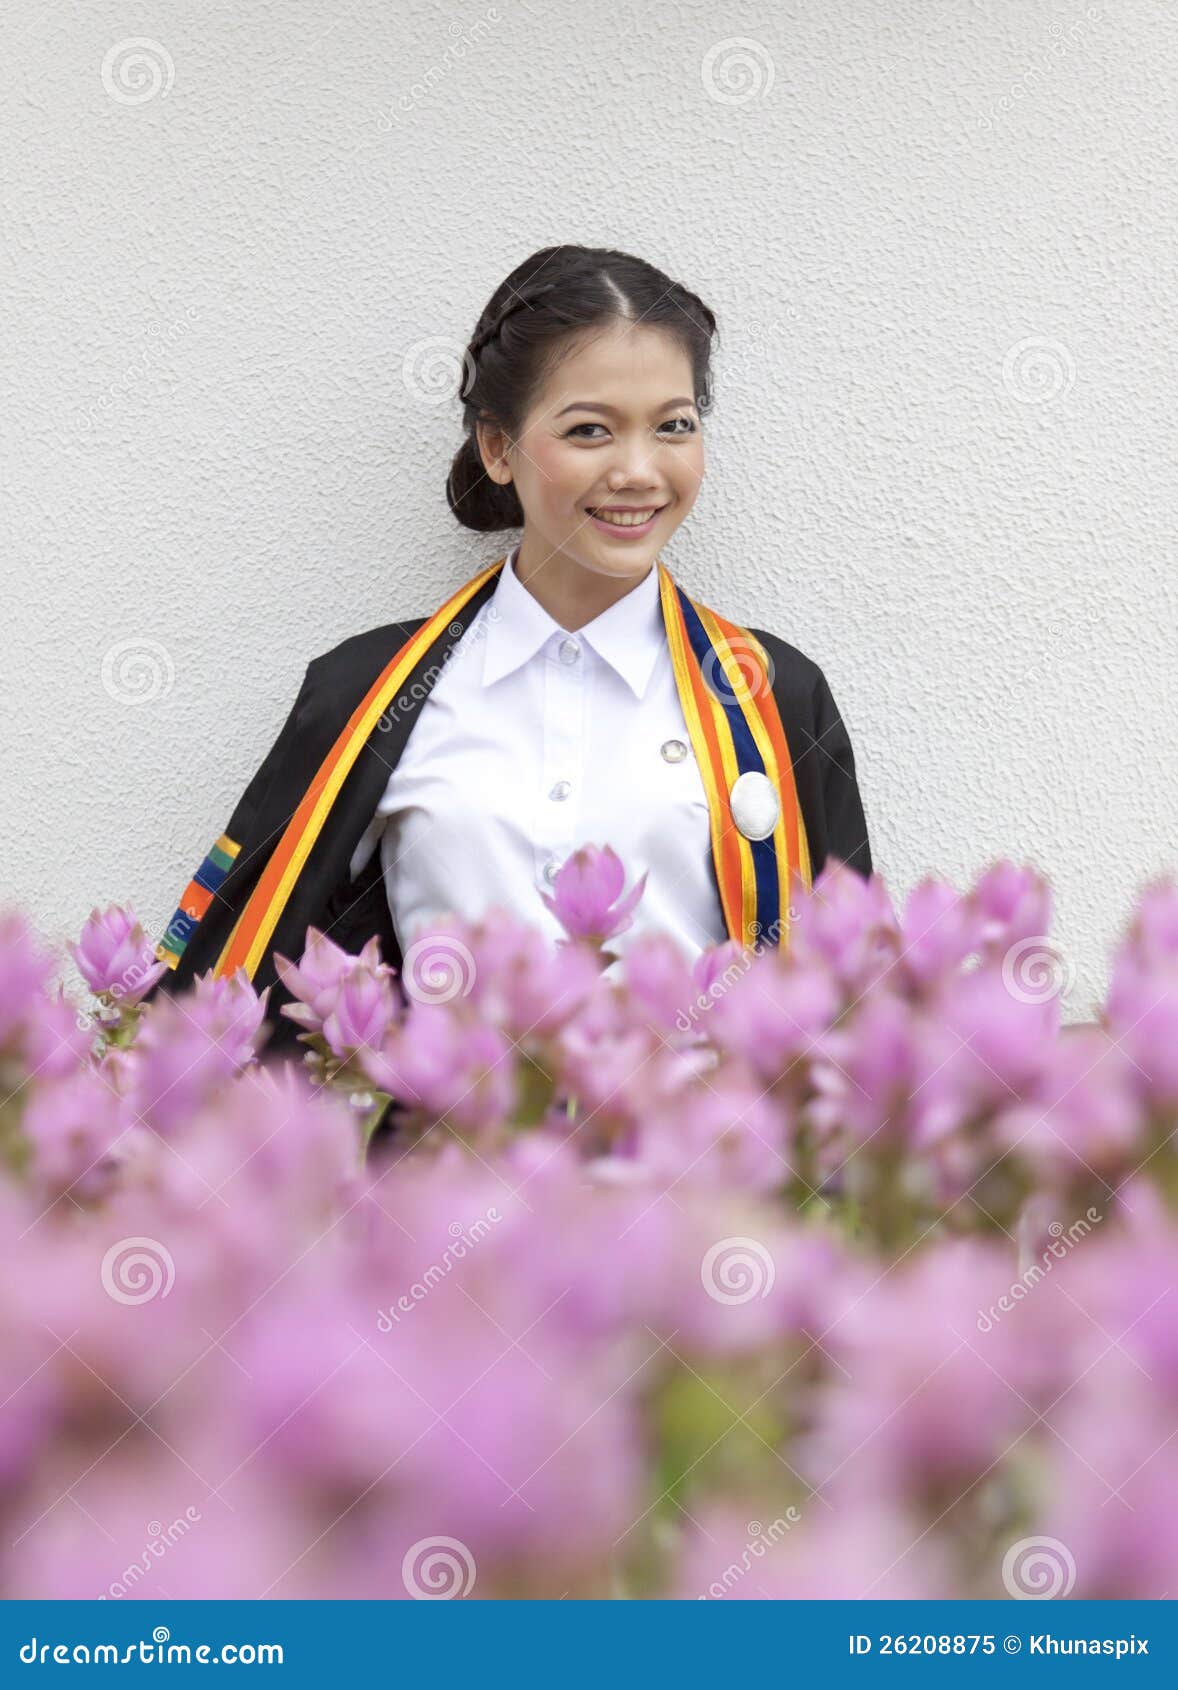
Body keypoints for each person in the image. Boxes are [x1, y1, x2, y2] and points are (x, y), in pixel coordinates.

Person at [144, 244, 873, 1061]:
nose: (639, 471)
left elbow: (850, 999)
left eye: (674, 425)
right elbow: (235, 971)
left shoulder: (772, 694)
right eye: (590, 430)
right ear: (498, 447)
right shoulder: (368, 692)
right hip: (442, 1135)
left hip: (697, 1141)